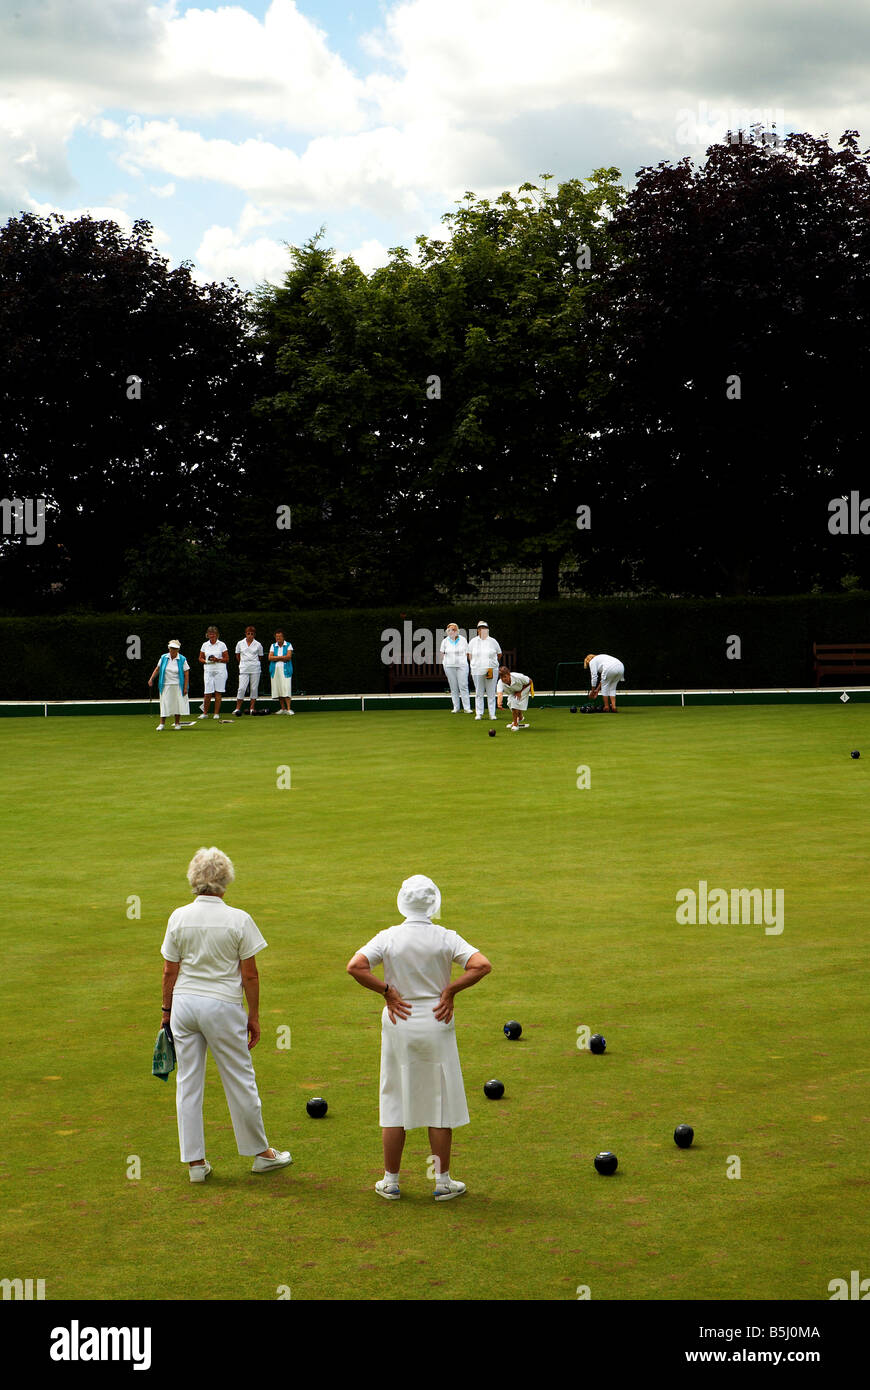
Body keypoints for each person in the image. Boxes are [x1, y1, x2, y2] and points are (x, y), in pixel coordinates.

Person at [346, 875, 492, 1202]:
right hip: (437, 1019)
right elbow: (481, 965)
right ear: (432, 903)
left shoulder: (389, 937)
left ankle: (390, 1181)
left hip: (400, 1020)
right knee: (439, 1102)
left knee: (395, 1096)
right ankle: (442, 1181)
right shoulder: (445, 937)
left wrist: (387, 991)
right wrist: (450, 990)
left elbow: (355, 966)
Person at [160, 847, 291, 1181]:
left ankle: (195, 1165)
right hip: (222, 1006)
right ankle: (262, 1155)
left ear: (194, 879)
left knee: (188, 1083)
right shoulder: (238, 919)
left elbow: (168, 973)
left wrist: (166, 1013)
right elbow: (250, 975)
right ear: (225, 880)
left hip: (185, 1006)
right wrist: (255, 1015)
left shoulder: (178, 916)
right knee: (240, 1079)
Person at [148, 640, 192, 731]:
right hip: (165, 685)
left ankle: (177, 723)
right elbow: (157, 669)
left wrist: (185, 687)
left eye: (175, 649)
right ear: (169, 648)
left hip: (178, 685)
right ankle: (162, 724)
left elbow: (186, 674)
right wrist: (151, 678)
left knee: (177, 704)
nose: (173, 650)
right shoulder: (163, 657)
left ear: (178, 649)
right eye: (171, 648)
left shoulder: (182, 659)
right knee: (164, 704)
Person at [466, 621, 503, 721]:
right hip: (477, 669)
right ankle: (479, 713)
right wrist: (475, 663)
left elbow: (499, 654)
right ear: (478, 630)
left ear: (487, 629)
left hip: (490, 669)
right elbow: (469, 655)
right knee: (479, 692)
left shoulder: (493, 641)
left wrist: (491, 663)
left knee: (491, 691)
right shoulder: (473, 641)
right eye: (480, 628)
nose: (482, 630)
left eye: (484, 628)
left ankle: (492, 714)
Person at [198, 625, 229, 720]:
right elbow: (200, 658)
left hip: (220, 670)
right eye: (210, 634)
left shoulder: (222, 644)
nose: (212, 636)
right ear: (207, 635)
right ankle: (205, 713)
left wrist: (217, 659)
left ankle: (216, 713)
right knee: (207, 692)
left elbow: (227, 659)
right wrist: (207, 661)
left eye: (214, 634)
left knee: (218, 692)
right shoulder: (204, 645)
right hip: (208, 670)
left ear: (217, 635)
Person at [439, 622, 471, 713]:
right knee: (453, 687)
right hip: (449, 666)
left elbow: (467, 652)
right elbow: (442, 653)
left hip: (462, 666)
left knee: (463, 686)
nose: (451, 631)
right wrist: (444, 663)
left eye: (453, 629)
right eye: (449, 630)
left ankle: (466, 708)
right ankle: (456, 707)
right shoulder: (445, 641)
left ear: (457, 630)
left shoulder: (463, 639)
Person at [234, 625, 264, 716]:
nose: (250, 635)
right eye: (248, 634)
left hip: (255, 668)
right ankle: (237, 708)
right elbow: (237, 655)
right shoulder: (240, 643)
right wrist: (243, 663)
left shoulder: (258, 644)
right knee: (241, 688)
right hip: (243, 668)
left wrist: (253, 663)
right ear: (245, 634)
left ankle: (252, 708)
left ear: (254, 635)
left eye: (252, 634)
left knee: (254, 688)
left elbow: (260, 656)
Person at [498, 665, 533, 730]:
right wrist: (499, 703)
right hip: (514, 691)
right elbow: (500, 693)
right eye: (501, 677)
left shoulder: (518, 677)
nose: (503, 679)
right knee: (510, 703)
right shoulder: (500, 682)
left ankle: (515, 724)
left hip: (524, 688)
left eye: (505, 677)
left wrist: (520, 692)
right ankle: (520, 717)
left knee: (514, 702)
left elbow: (530, 681)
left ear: (509, 675)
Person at [268, 630, 294, 714]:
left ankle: (289, 709)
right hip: (275, 671)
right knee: (279, 689)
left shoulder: (288, 645)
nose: (278, 638)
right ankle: (283, 709)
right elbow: (270, 658)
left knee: (286, 688)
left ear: (283, 637)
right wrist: (282, 657)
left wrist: (276, 657)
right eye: (277, 637)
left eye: (280, 636)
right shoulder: (273, 645)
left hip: (286, 671)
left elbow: (289, 657)